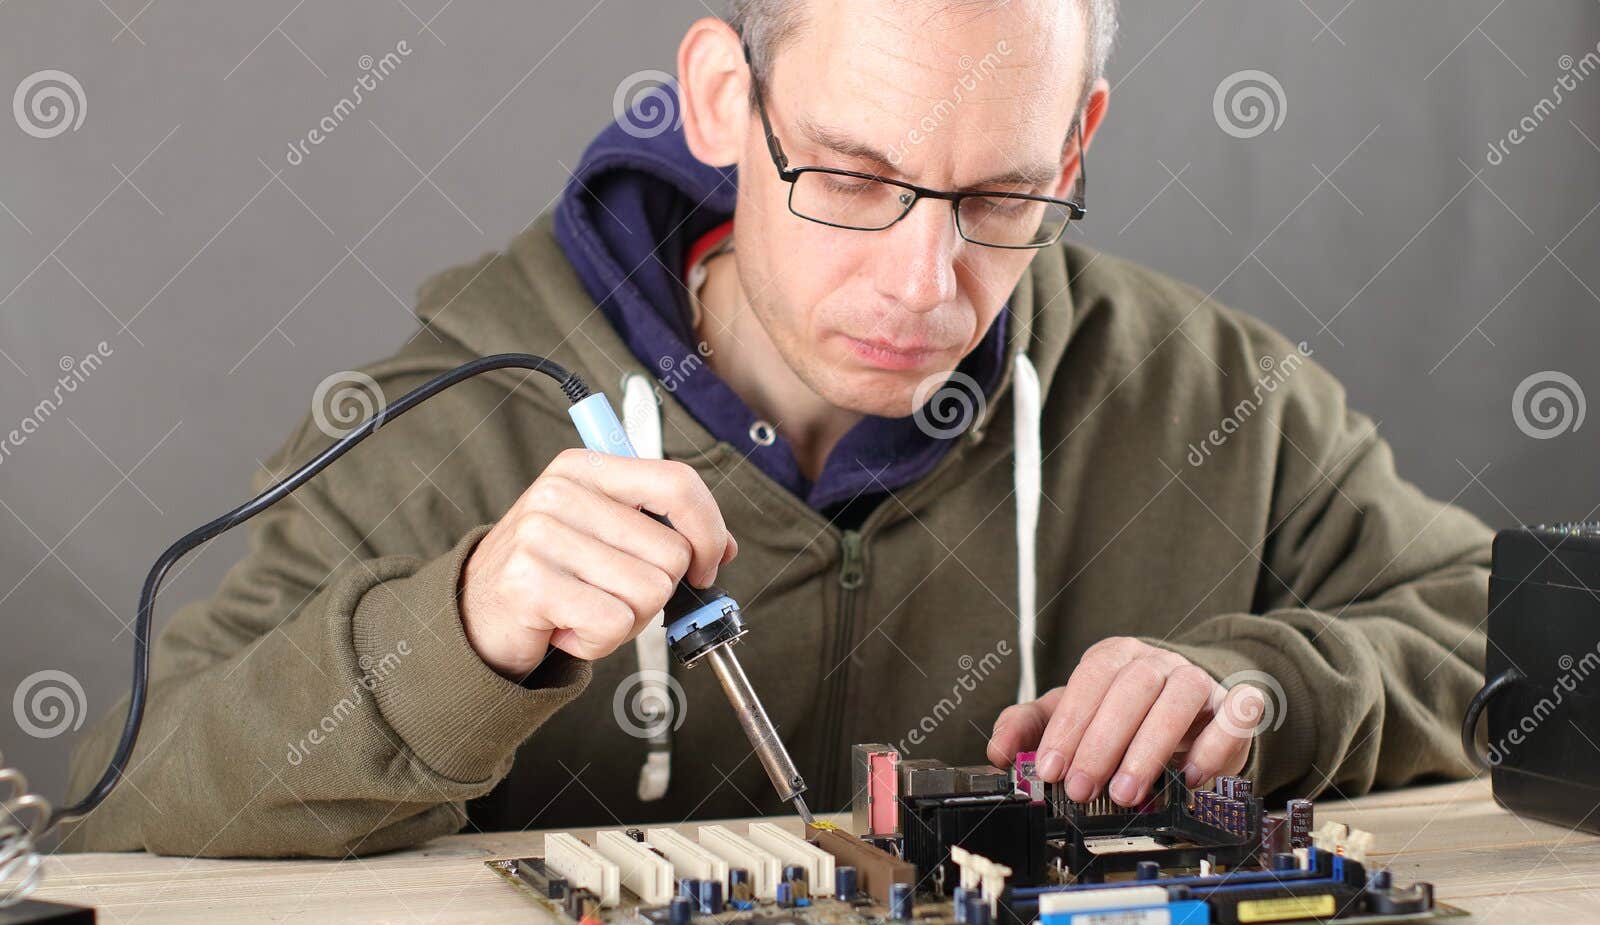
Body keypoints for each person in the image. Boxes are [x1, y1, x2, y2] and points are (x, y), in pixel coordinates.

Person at [66, 0, 1491, 857]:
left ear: (1078, 147)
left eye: (1002, 200)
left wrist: (1265, 691)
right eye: (852, 178)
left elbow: (1522, 632)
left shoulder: (1198, 388)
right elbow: (124, 804)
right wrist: (459, 631)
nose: (923, 286)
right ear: (720, 99)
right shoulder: (454, 417)